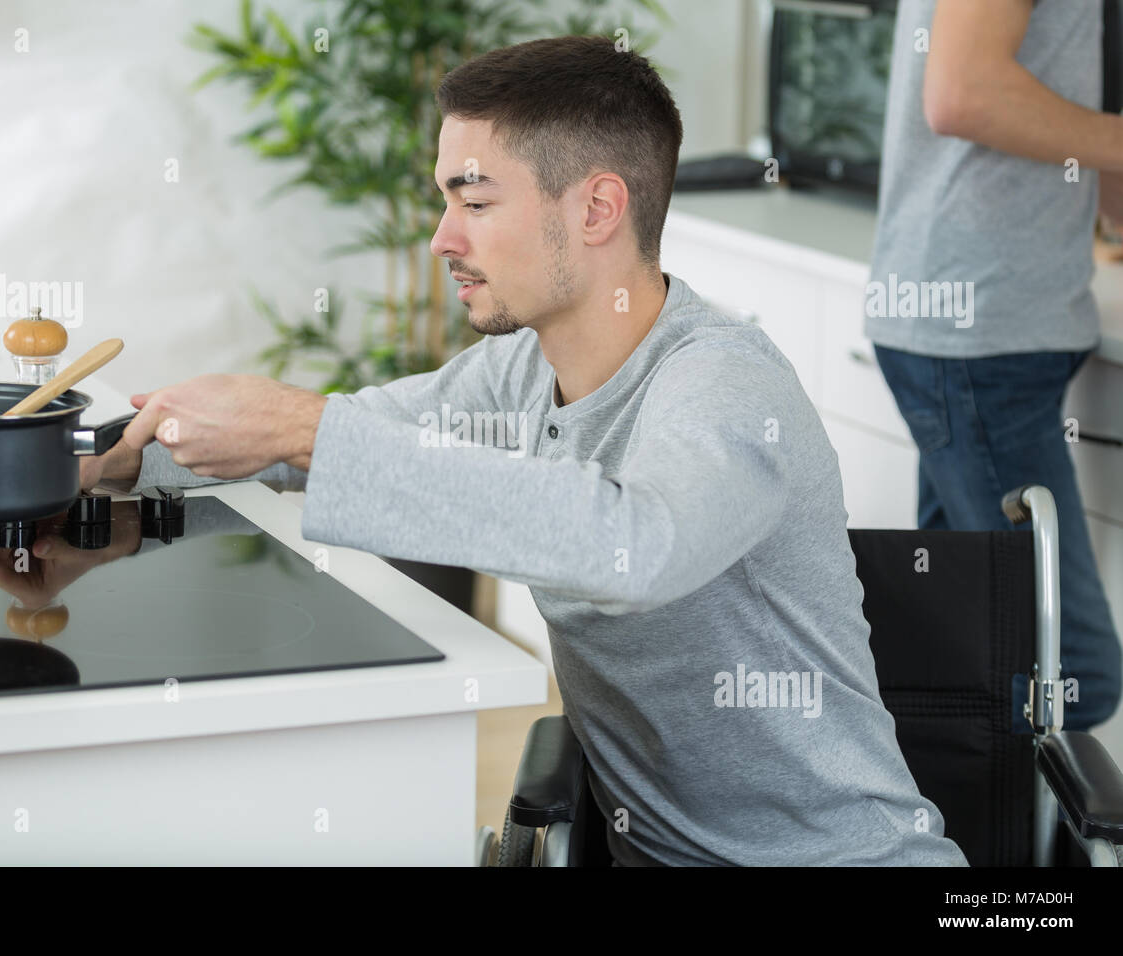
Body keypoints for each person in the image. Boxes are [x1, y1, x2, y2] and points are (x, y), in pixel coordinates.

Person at [84, 36, 966, 866]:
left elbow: (635, 545)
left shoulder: (725, 386)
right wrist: (103, 461)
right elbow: (319, 442)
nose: (442, 238)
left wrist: (302, 427)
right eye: (445, 201)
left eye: (474, 202)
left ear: (596, 208)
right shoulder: (516, 372)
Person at [867, 0, 1123, 730]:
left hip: (978, 331)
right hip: (979, 340)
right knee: (1075, 675)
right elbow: (964, 92)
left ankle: (919, 831)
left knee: (954, 646)